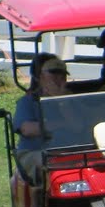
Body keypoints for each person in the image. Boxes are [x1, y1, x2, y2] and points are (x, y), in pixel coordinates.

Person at [13, 53, 70, 183]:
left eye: (62, 74)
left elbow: (79, 125)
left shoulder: (70, 100)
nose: (58, 78)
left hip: (66, 151)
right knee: (51, 161)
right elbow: (27, 129)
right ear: (40, 77)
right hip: (33, 152)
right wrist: (62, 125)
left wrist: (62, 101)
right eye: (53, 73)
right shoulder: (27, 101)